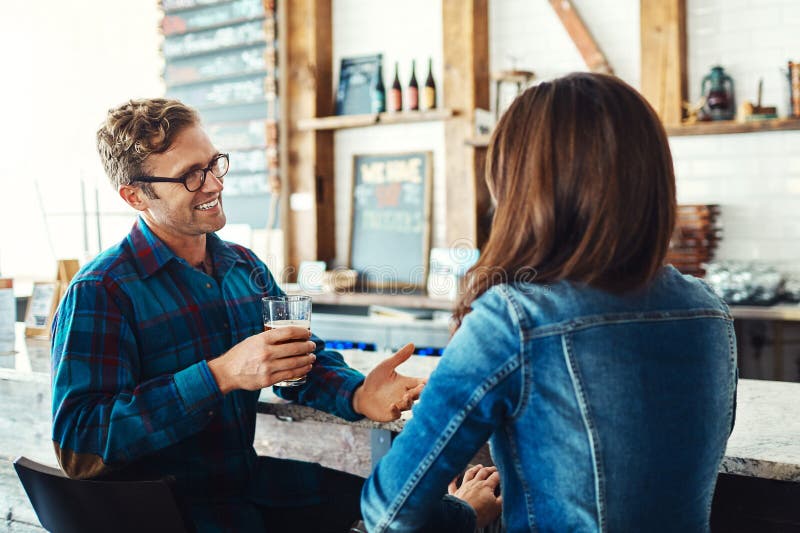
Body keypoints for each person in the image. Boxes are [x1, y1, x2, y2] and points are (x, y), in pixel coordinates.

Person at [361, 73, 738, 532]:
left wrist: (467, 513)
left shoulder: (516, 318)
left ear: (521, 187)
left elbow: (389, 511)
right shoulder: (709, 309)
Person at [50, 98, 426, 532]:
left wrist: (359, 394)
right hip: (169, 514)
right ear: (136, 195)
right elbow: (80, 444)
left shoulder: (245, 268)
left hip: (246, 490)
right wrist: (219, 375)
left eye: (213, 164)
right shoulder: (101, 290)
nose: (213, 185)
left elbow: (298, 360)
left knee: (412, 507)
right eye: (190, 176)